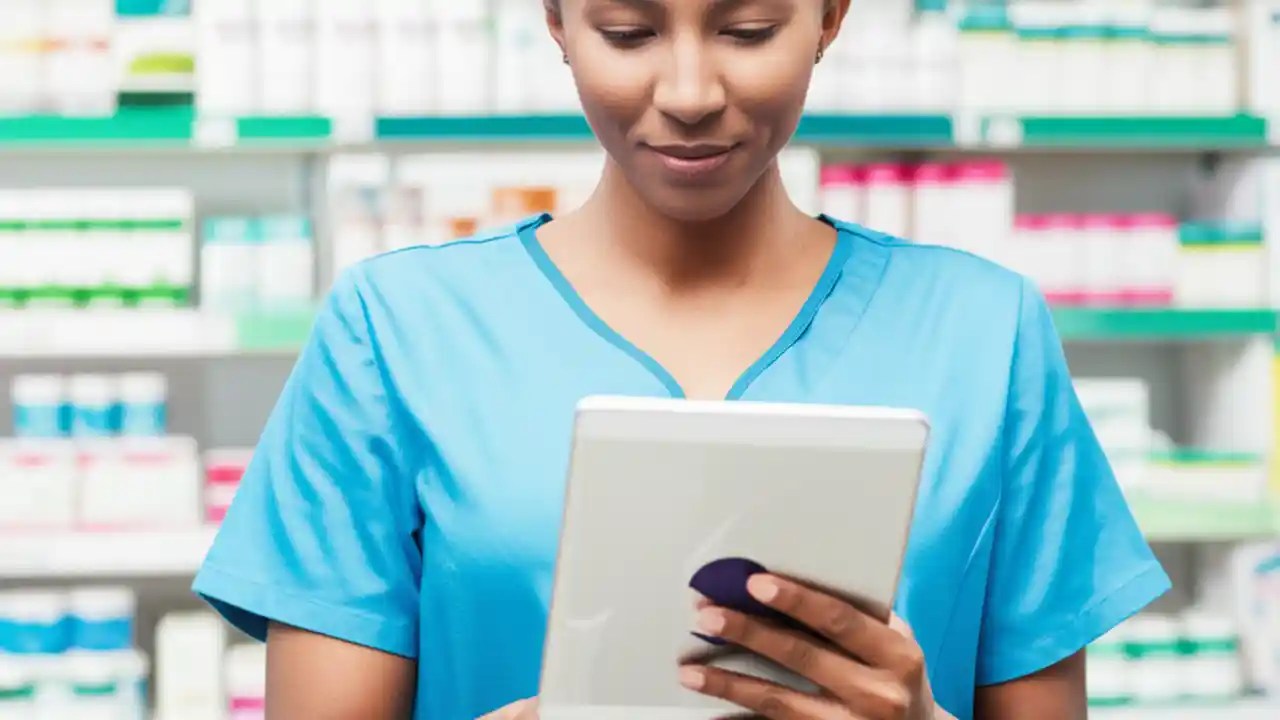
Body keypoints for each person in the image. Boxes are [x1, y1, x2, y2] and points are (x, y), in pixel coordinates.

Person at [193, 0, 1171, 718]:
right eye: (627, 31)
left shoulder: (981, 332)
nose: (690, 93)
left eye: (747, 30)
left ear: (829, 16)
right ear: (555, 20)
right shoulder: (393, 332)